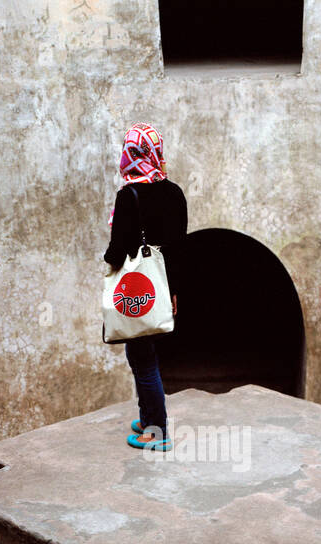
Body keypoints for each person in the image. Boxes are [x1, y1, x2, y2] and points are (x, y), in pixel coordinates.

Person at [104, 122, 187, 452]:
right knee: (144, 354)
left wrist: (108, 263)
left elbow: (118, 249)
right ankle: (147, 416)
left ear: (130, 153)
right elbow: (180, 247)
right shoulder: (175, 192)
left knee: (142, 356)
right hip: (164, 286)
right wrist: (175, 291)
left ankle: (157, 431)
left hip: (137, 287)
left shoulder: (129, 196)